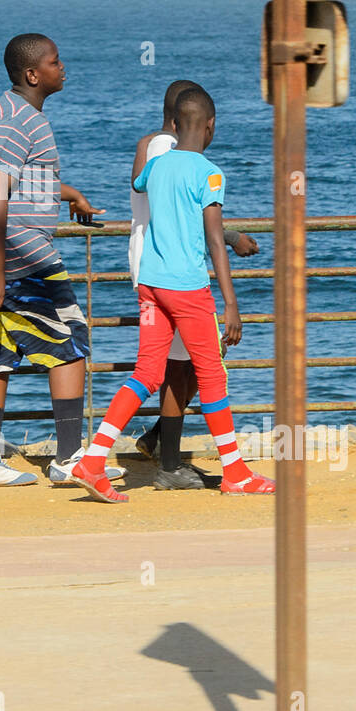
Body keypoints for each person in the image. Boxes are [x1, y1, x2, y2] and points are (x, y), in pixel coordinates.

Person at [71, 85, 274, 502]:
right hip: (187, 287)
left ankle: (92, 461)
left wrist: (150, 148)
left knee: (146, 373)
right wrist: (231, 303)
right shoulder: (210, 173)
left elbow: (139, 181)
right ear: (211, 127)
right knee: (213, 375)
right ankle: (236, 472)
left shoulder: (157, 163)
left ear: (176, 125)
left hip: (150, 284)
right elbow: (216, 240)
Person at [0, 33, 120, 489]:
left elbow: (23, 178)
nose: (62, 67)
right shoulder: (16, 121)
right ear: (32, 74)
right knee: (69, 336)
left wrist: (70, 194)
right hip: (19, 254)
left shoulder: (14, 114)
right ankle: (70, 459)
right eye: (54, 61)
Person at [129, 80, 260, 489]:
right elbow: (192, 219)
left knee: (179, 365)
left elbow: (152, 199)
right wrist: (232, 240)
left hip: (150, 264)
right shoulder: (168, 152)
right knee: (180, 367)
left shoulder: (148, 150)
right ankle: (169, 463)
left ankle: (157, 443)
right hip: (174, 271)